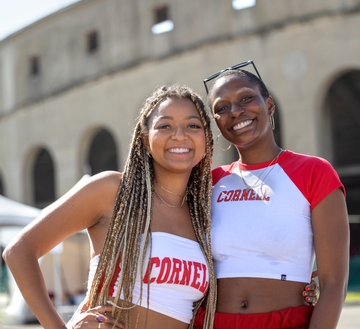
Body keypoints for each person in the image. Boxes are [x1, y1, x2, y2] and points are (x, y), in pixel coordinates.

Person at [3, 84, 217, 329]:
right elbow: (19, 251)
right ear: (145, 140)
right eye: (164, 125)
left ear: (206, 139)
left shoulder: (203, 215)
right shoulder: (113, 191)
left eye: (193, 125)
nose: (180, 135)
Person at [194, 61, 350, 329]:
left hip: (286, 321)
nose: (235, 111)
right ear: (216, 123)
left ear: (269, 105)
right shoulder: (208, 183)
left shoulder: (314, 171)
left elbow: (334, 283)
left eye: (246, 98)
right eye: (221, 108)